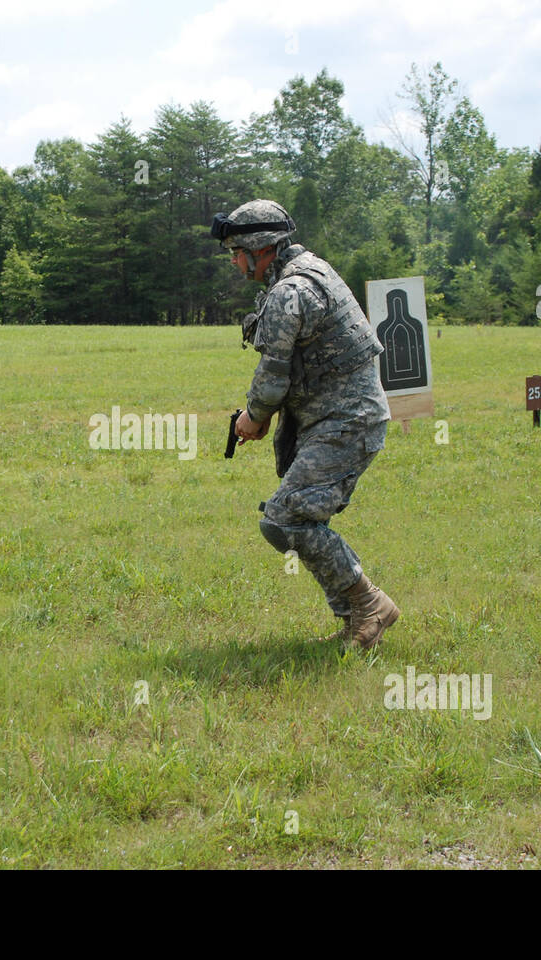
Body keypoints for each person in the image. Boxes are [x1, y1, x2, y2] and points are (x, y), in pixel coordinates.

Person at [211, 199, 400, 650]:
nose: (234, 262)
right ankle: (357, 617)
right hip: (339, 418)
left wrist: (254, 417)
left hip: (347, 422)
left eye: (237, 252)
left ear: (261, 248)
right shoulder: (311, 271)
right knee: (294, 517)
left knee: (285, 519)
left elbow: (273, 374)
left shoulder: (289, 291)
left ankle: (369, 603)